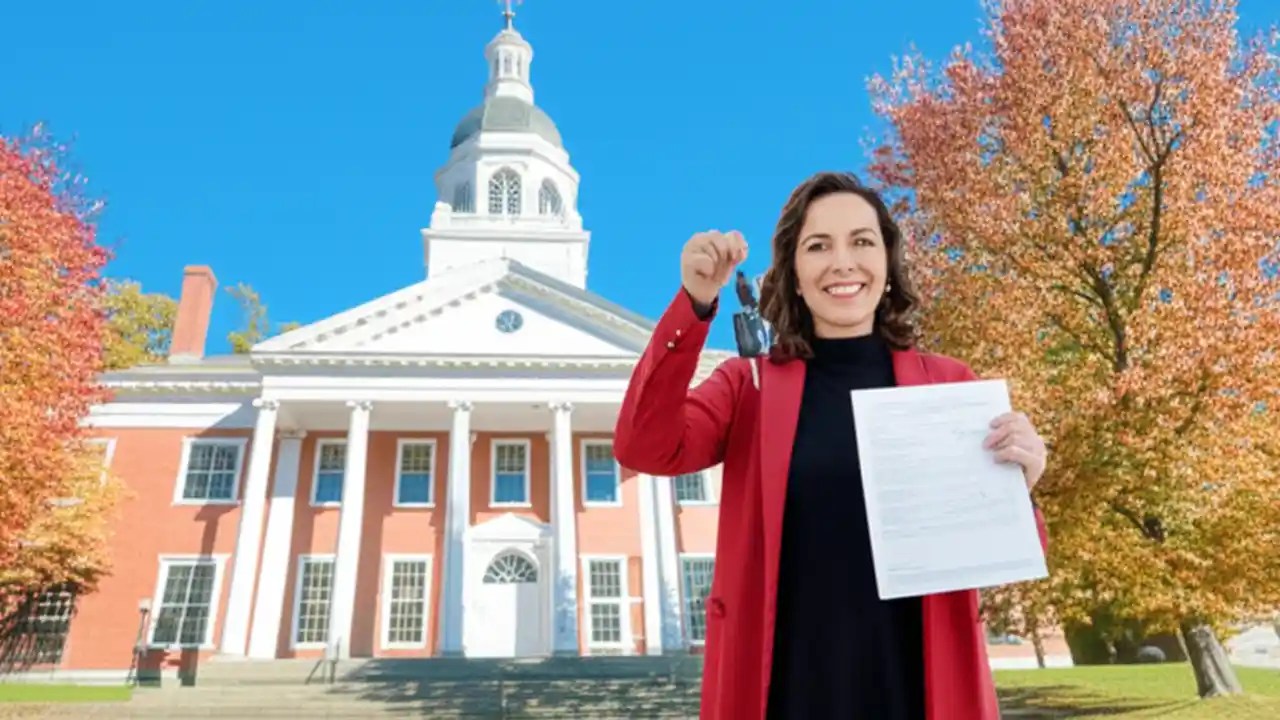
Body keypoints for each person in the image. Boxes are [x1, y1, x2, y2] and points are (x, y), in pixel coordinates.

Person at [613, 171, 1049, 720]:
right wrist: (695, 305)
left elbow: (1004, 555)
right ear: (794, 274)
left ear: (887, 265)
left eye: (861, 242)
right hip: (785, 688)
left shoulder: (950, 386)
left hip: (915, 685)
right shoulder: (748, 386)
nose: (842, 262)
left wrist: (1021, 482)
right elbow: (645, 446)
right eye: (818, 246)